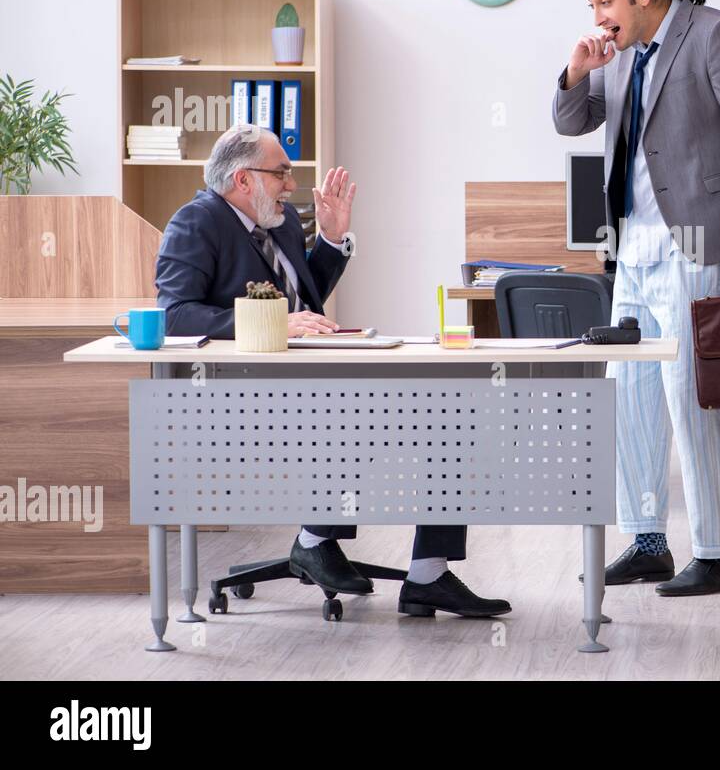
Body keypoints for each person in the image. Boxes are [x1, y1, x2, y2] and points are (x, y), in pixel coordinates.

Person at [154, 123, 510, 618]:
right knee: (358, 411)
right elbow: (174, 315)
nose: (291, 184)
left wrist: (331, 238)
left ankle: (427, 574)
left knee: (447, 412)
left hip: (310, 375)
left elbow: (307, 297)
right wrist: (272, 321)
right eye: (281, 173)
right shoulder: (195, 223)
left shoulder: (279, 222)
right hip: (243, 397)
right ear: (242, 179)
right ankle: (314, 539)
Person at [552, 0, 720, 595]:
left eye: (605, 0)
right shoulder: (619, 53)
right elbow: (572, 122)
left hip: (699, 243)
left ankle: (716, 555)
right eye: (591, 3)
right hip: (631, 249)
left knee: (692, 397)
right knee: (630, 396)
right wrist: (575, 72)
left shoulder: (717, 36)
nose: (598, 16)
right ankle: (647, 541)